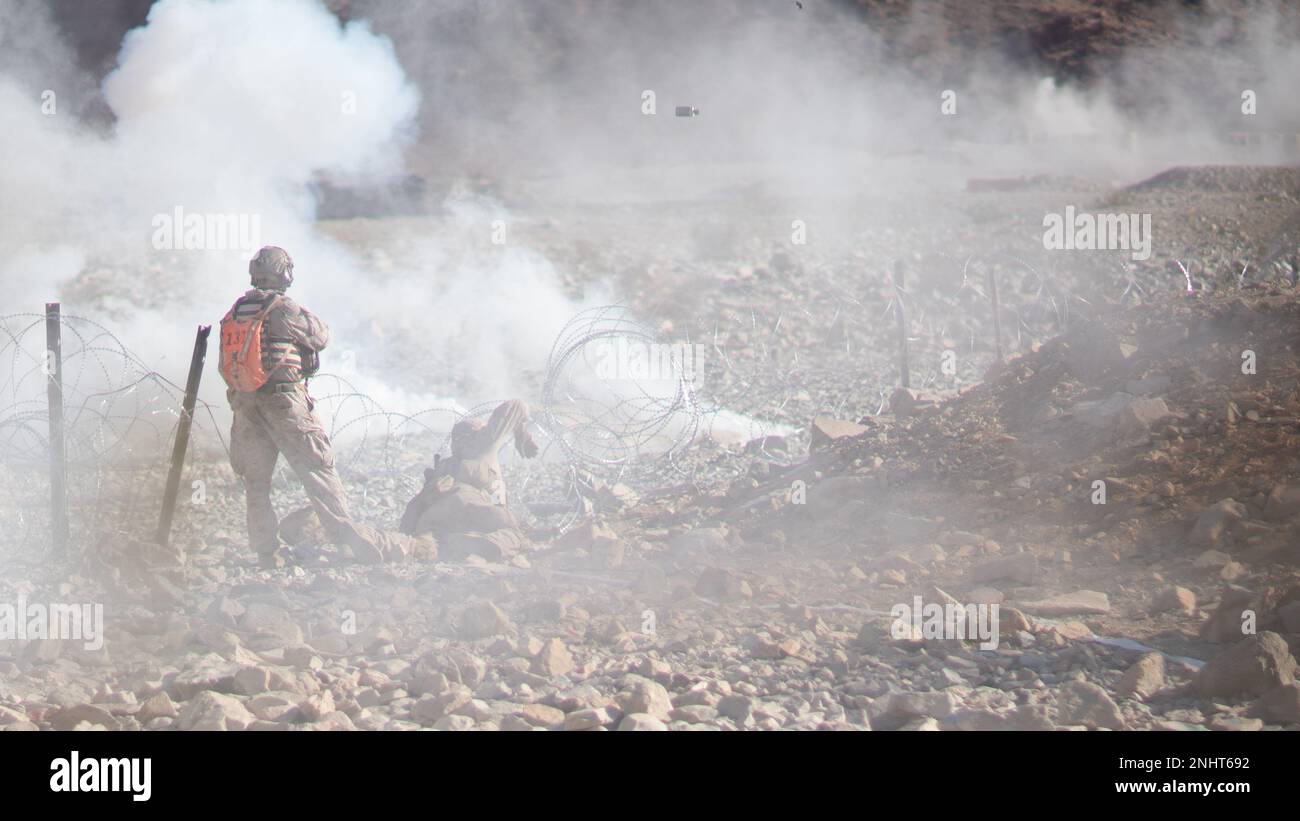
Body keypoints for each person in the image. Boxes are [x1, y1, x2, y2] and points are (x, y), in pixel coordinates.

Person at [221, 246, 394, 568]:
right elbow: (320, 336)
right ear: (284, 274)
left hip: (245, 403)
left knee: (256, 482)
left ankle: (265, 552)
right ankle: (346, 539)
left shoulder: (238, 309)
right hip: (284, 401)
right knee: (317, 468)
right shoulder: (282, 308)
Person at [399, 399, 539, 561]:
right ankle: (481, 545)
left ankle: (400, 546)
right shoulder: (482, 446)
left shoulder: (444, 465)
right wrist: (521, 432)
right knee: (514, 535)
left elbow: (416, 506)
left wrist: (405, 533)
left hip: (442, 516)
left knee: (427, 541)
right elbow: (515, 405)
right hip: (474, 507)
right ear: (478, 434)